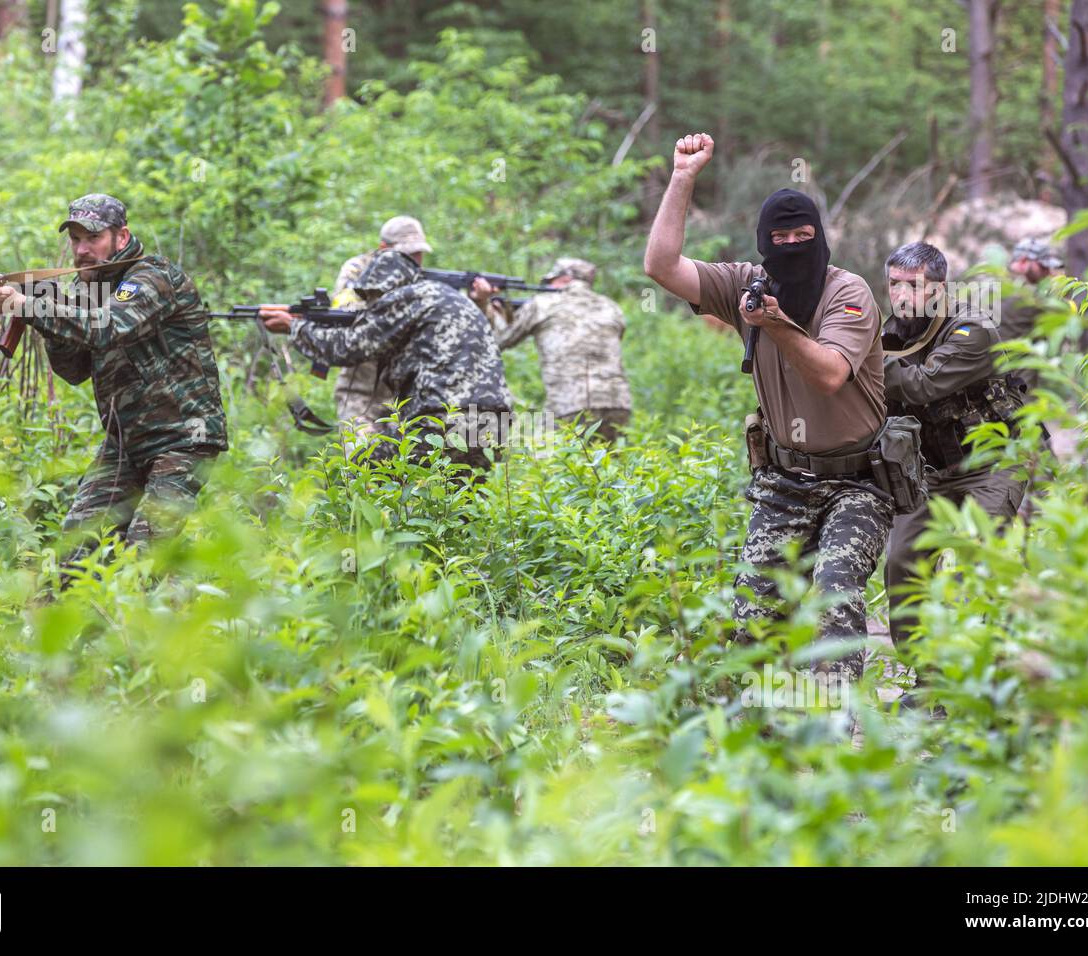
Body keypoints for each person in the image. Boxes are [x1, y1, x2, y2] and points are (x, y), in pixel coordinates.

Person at [644, 132, 895, 683]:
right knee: (755, 616)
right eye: (780, 238)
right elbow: (661, 266)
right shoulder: (745, 286)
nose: (792, 246)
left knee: (836, 595)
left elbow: (830, 373)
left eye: (803, 236)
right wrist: (683, 178)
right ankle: (759, 745)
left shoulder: (848, 292)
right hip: (784, 481)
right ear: (764, 243)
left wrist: (778, 326)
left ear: (821, 238)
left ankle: (832, 738)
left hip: (858, 480)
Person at [0, 194, 227, 557]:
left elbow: (108, 327)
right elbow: (75, 370)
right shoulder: (89, 289)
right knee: (77, 552)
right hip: (126, 442)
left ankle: (177, 608)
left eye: (93, 238)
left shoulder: (153, 276)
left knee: (144, 553)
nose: (82, 249)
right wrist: (49, 318)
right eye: (75, 239)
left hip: (182, 438)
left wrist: (29, 305)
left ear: (121, 238)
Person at [881, 241, 1027, 705]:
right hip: (933, 472)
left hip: (994, 461)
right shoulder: (890, 335)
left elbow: (922, 385)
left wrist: (858, 361)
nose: (903, 295)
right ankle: (930, 682)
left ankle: (991, 679)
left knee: (981, 562)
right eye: (894, 285)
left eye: (915, 285)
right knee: (903, 562)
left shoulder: (972, 327)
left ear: (939, 288)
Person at [259, 248, 512, 472]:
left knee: (365, 466)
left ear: (390, 286)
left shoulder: (405, 296)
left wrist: (294, 328)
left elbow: (350, 347)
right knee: (460, 505)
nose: (372, 304)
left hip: (440, 422)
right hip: (495, 425)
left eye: (373, 295)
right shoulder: (453, 300)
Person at [474, 257, 633, 442]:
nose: (547, 286)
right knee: (606, 464)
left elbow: (497, 340)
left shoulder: (542, 303)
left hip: (568, 404)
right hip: (618, 402)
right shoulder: (611, 307)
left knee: (548, 462)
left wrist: (487, 307)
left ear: (565, 279)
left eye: (550, 281)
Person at [329, 216, 434, 437]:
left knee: (403, 469)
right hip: (360, 394)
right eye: (407, 254)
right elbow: (345, 310)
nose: (415, 260)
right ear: (383, 248)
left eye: (418, 253)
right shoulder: (357, 270)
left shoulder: (421, 281)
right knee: (361, 463)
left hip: (404, 400)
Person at [1000, 237, 1066, 394]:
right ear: (1024, 262)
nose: (1047, 272)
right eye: (1042, 267)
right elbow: (1066, 317)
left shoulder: (991, 284)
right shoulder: (1029, 297)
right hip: (1019, 388)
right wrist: (1058, 285)